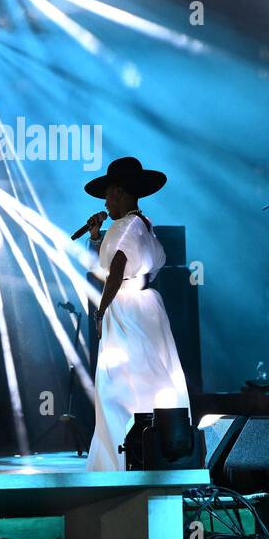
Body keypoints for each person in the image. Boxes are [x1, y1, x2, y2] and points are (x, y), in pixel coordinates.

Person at [80, 157, 190, 472]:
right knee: (144, 379)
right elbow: (118, 261)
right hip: (142, 307)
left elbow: (115, 271)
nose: (105, 202)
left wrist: (101, 310)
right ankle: (149, 448)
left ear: (121, 193)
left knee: (119, 384)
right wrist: (97, 237)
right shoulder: (141, 224)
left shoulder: (125, 225)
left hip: (126, 307)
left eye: (109, 195)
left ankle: (123, 458)